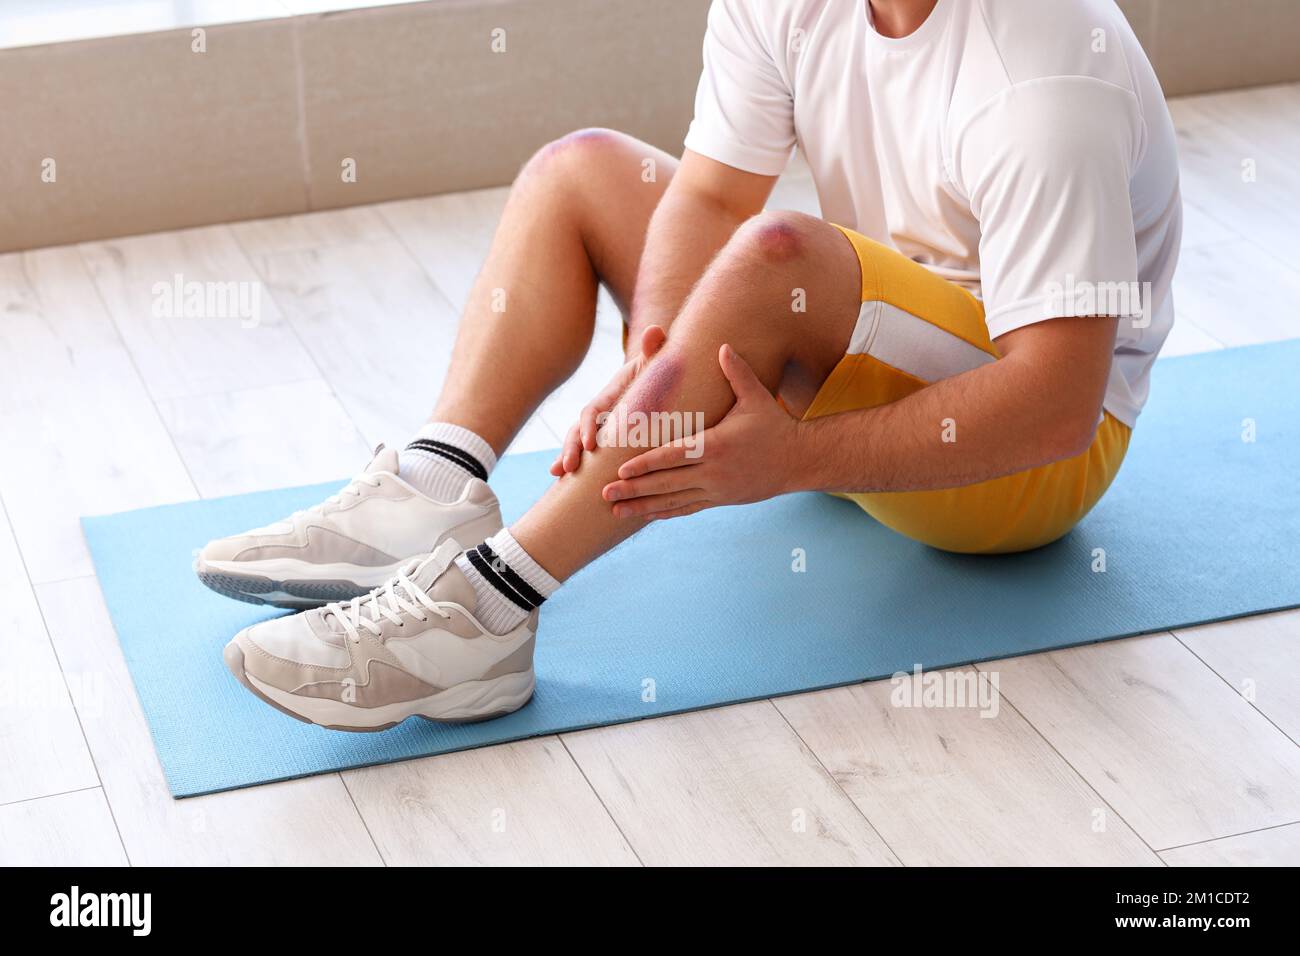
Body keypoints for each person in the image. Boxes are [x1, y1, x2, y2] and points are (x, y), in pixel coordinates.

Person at [205, 0, 1181, 731]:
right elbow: (711, 195)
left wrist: (795, 460)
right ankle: (432, 485)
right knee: (582, 169)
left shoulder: (1044, 75)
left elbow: (1057, 404)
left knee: (782, 261)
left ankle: (484, 615)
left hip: (1027, 463)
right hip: (872, 356)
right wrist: (654, 358)